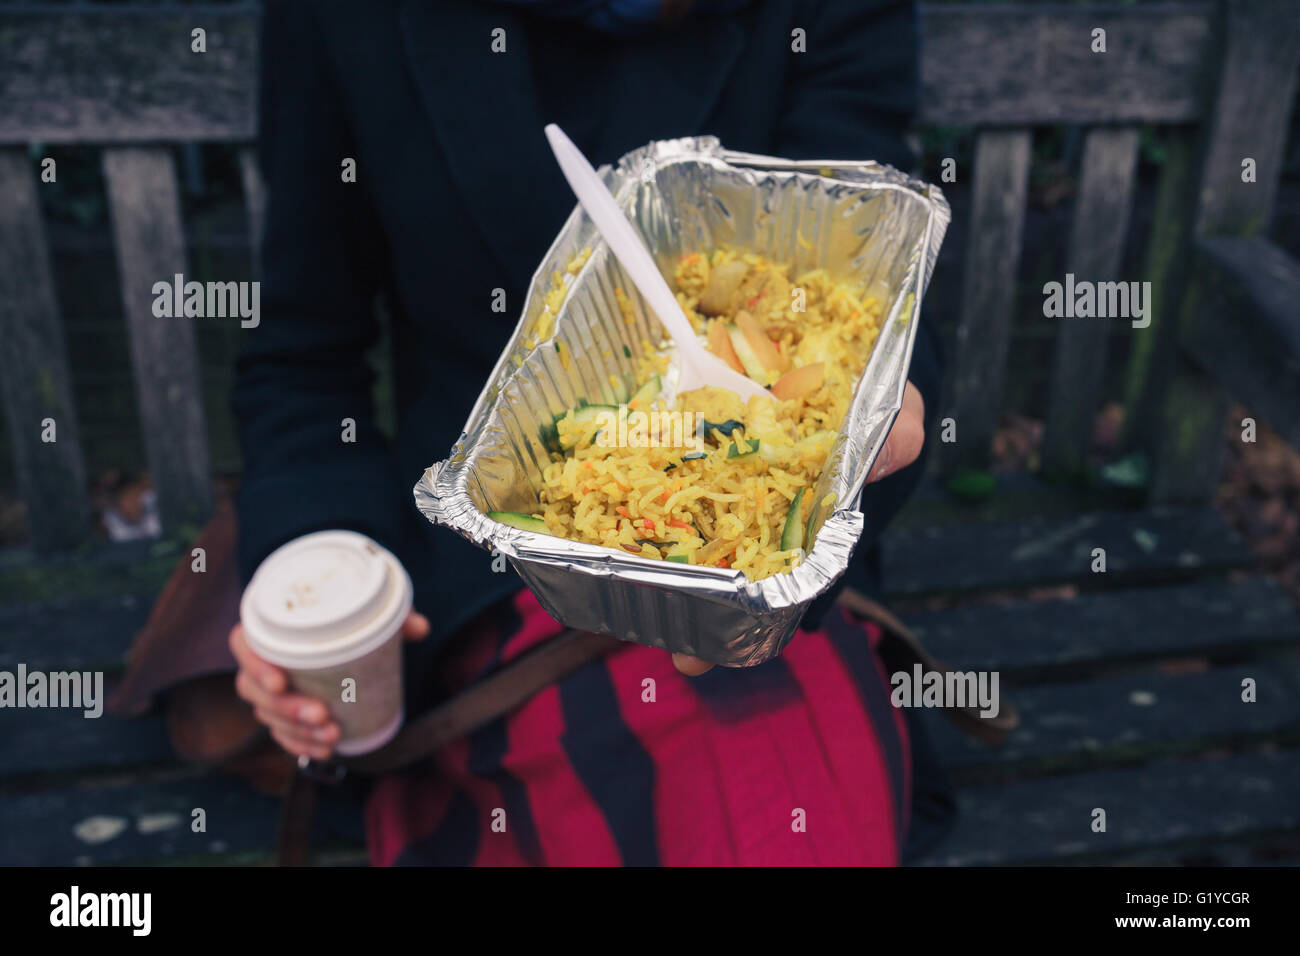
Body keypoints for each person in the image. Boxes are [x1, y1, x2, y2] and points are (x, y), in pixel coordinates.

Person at [230, 0, 950, 865]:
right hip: (496, 574)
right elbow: (303, 357)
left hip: (775, 592)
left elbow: (867, 267)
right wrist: (316, 570)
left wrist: (884, 408)